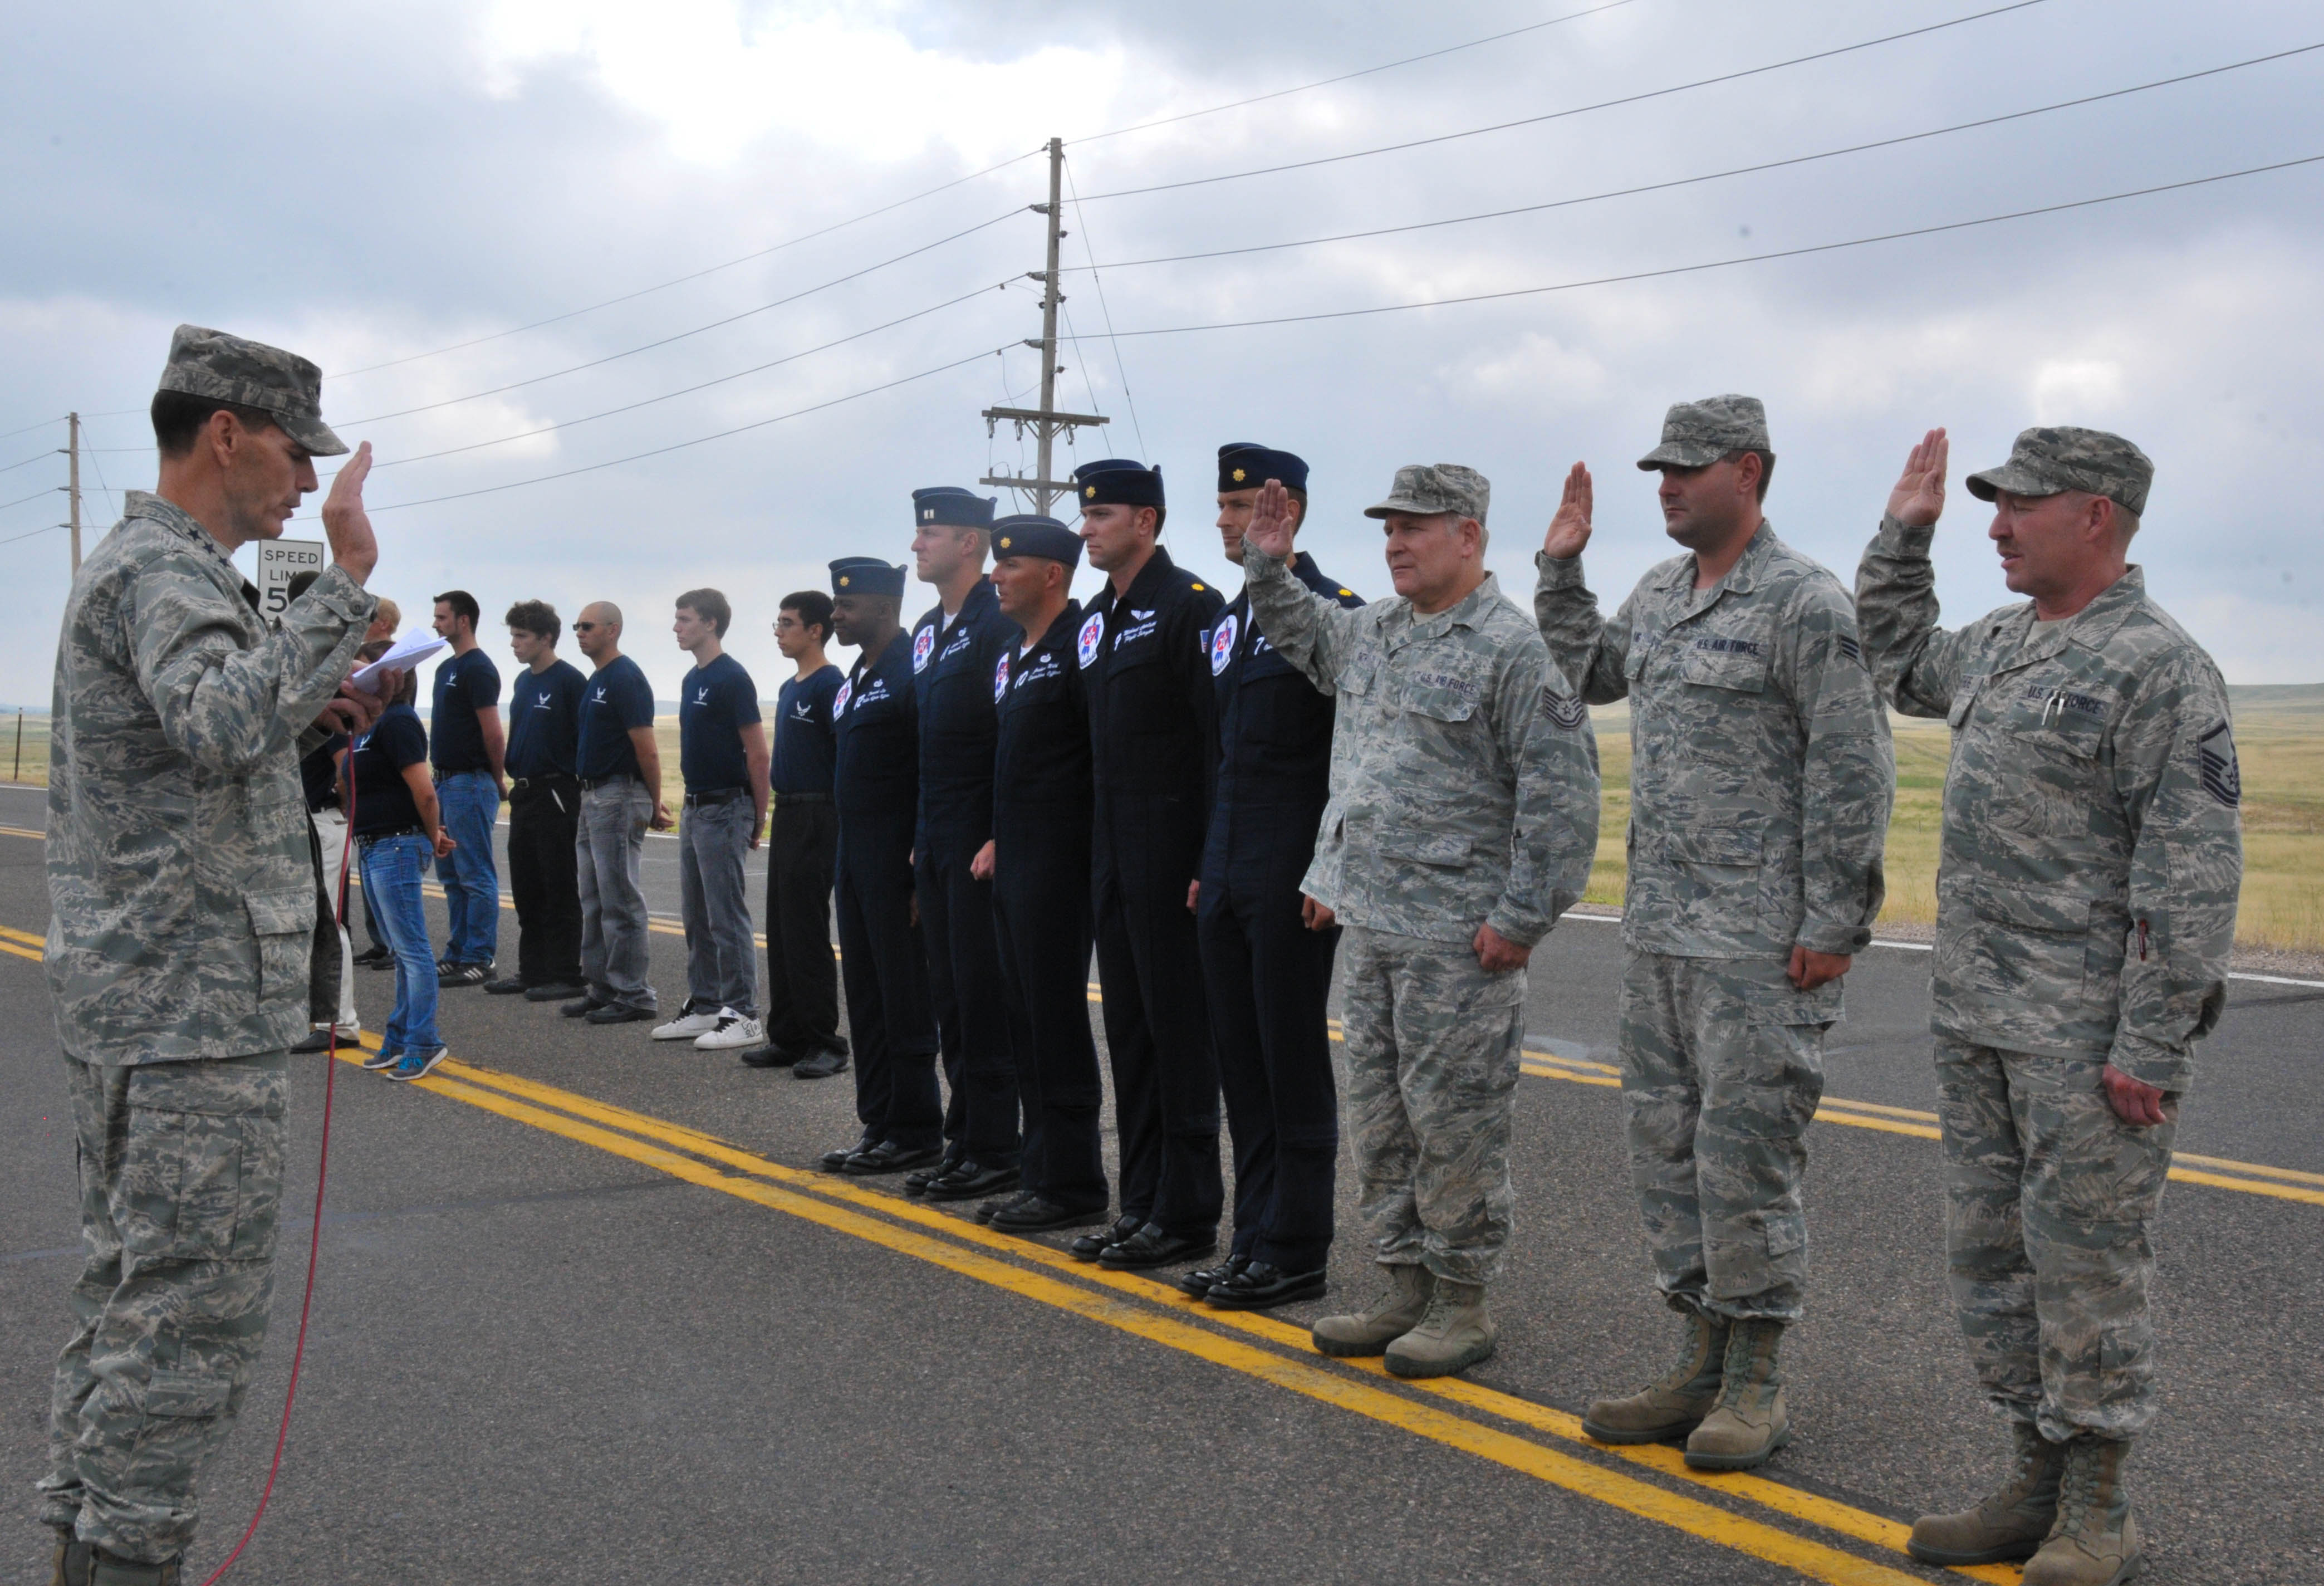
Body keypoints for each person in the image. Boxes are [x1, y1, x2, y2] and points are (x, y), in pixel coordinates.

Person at [1857, 427, 2241, 1584]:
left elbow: (2187, 874)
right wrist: (1901, 533)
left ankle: (2098, 1503)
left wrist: (2150, 1037)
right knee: (1991, 1259)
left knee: (2083, 1266)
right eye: (1988, 505)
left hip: (2083, 1037)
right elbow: (1890, 654)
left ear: (2096, 515)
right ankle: (2029, 1473)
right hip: (1976, 1013)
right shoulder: (2000, 643)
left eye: (2019, 506)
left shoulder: (2157, 666)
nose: (1996, 524)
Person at [40, 325, 388, 1584]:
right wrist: (342, 587)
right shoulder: (169, 571)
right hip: (187, 1015)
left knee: (133, 1306)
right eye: (299, 452)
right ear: (227, 431)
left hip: (152, 1004)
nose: (307, 482)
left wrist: (315, 695)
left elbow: (214, 736)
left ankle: (92, 1553)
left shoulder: (158, 566)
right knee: (182, 1325)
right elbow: (220, 715)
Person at [1532, 395, 1895, 1471]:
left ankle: (1755, 1380)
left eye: (1686, 469)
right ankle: (1695, 1355)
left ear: (1748, 471)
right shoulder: (1655, 591)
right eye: (1658, 469)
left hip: (1757, 943)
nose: (1665, 485)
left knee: (1745, 1162)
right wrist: (1559, 570)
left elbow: (1850, 767)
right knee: (1668, 1156)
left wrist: (1834, 918)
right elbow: (1586, 672)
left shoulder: (1803, 602)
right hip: (1660, 935)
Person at [1241, 464, 1599, 1379]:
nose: (1394, 543)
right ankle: (1401, 1283)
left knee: (1455, 1125)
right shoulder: (1373, 633)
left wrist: (1520, 917)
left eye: (1414, 528)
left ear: (1468, 536)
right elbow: (1298, 635)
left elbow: (1561, 796)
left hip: (1457, 938)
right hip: (1372, 929)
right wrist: (1267, 567)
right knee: (1381, 1119)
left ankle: (1461, 1299)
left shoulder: (1511, 649)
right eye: (1388, 529)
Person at [1188, 444, 1363, 1311]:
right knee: (1240, 1063)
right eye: (1223, 511)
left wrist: (1330, 869)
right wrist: (1204, 867)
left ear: (1283, 514)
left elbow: (1354, 763)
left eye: (1238, 509)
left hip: (1292, 872)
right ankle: (1252, 1236)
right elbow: (1223, 756)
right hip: (1226, 869)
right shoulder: (1227, 622)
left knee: (1289, 1061)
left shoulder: (1335, 614)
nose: (1224, 524)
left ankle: (1297, 1246)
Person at [1072, 457, 1228, 1271]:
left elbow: (1213, 741)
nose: (1087, 530)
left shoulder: (1190, 608)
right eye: (1084, 516)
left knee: (1178, 1037)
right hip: (1113, 858)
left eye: (1101, 516)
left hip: (1173, 861)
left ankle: (1189, 1211)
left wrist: (1210, 855)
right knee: (1129, 1035)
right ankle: (1141, 1206)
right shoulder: (1098, 619)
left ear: (1146, 521)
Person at [977, 515, 1110, 1233]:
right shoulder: (1014, 654)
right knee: (1023, 1022)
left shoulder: (1079, 644)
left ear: (1052, 575)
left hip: (1061, 863)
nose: (995, 576)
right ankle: (1040, 1173)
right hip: (1017, 859)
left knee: (1055, 1023)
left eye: (1011, 565)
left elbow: (1093, 757)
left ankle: (1073, 1182)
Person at [905, 487, 1023, 1202]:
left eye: (930, 534)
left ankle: (994, 1145)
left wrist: (998, 831)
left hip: (980, 837)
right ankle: (964, 1139)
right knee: (949, 996)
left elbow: (1012, 736)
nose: (916, 546)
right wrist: (921, 839)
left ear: (970, 544)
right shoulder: (930, 628)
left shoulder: (995, 622)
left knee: (983, 999)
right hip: (938, 838)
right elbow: (929, 743)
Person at [820, 557, 944, 1173]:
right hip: (854, 853)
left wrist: (920, 860)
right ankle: (879, 1123)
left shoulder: (909, 671)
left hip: (894, 857)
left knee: (903, 996)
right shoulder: (857, 674)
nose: (836, 616)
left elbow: (927, 766)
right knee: (866, 995)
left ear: (884, 608)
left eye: (847, 606)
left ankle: (918, 1127)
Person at [653, 589, 771, 1050]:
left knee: (727, 916)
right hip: (695, 807)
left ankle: (744, 1013)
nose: (676, 627)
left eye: (684, 619)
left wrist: (757, 819)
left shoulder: (733, 678)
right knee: (696, 915)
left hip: (727, 808)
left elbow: (758, 755)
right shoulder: (690, 679)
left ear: (711, 624)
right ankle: (705, 1006)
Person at [739, 591, 849, 1073]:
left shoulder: (830, 684)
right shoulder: (789, 688)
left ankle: (826, 1042)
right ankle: (788, 1035)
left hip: (818, 813)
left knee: (806, 929)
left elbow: (845, 757)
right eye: (777, 622)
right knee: (781, 929)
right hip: (788, 814)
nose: (778, 631)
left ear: (816, 630)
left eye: (787, 623)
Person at [348, 663, 457, 1081]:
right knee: (400, 950)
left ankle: (424, 1041)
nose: (351, 679)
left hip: (396, 844)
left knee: (412, 950)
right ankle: (398, 1039)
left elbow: (424, 791)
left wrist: (432, 834)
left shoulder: (398, 722)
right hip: (374, 844)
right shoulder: (368, 727)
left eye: (360, 671)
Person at [565, 601, 669, 1025]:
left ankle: (634, 993)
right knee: (592, 897)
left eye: (587, 626)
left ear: (613, 630)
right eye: (576, 626)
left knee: (620, 898)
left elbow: (646, 747)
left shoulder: (625, 677)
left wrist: (654, 800)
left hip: (618, 793)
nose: (579, 632)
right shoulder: (598, 679)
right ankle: (602, 986)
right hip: (592, 797)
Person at [492, 599, 589, 1002]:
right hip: (525, 792)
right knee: (527, 885)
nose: (514, 644)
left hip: (557, 791)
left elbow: (584, 738)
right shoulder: (524, 682)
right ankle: (532, 970)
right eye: (512, 635)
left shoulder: (569, 681)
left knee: (558, 883)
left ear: (546, 638)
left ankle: (566, 973)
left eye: (522, 636)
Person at [285, 571, 364, 1059]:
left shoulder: (324, 680)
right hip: (302, 819)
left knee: (330, 925)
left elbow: (344, 764)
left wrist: (345, 809)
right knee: (308, 923)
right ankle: (318, 1013)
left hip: (326, 821)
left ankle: (341, 1021)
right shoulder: (306, 674)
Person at [428, 590, 505, 987]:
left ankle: (480, 956)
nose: (436, 624)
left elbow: (493, 733)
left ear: (464, 621)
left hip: (470, 781)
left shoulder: (478, 668)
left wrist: (495, 779)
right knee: (451, 874)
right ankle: (457, 951)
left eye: (442, 617)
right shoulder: (446, 669)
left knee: (474, 873)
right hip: (442, 781)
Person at [352, 598, 404, 972]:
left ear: (384, 623)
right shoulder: (357, 652)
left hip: (387, 786)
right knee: (366, 876)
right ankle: (379, 940)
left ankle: (393, 945)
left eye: (367, 617)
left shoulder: (391, 661)